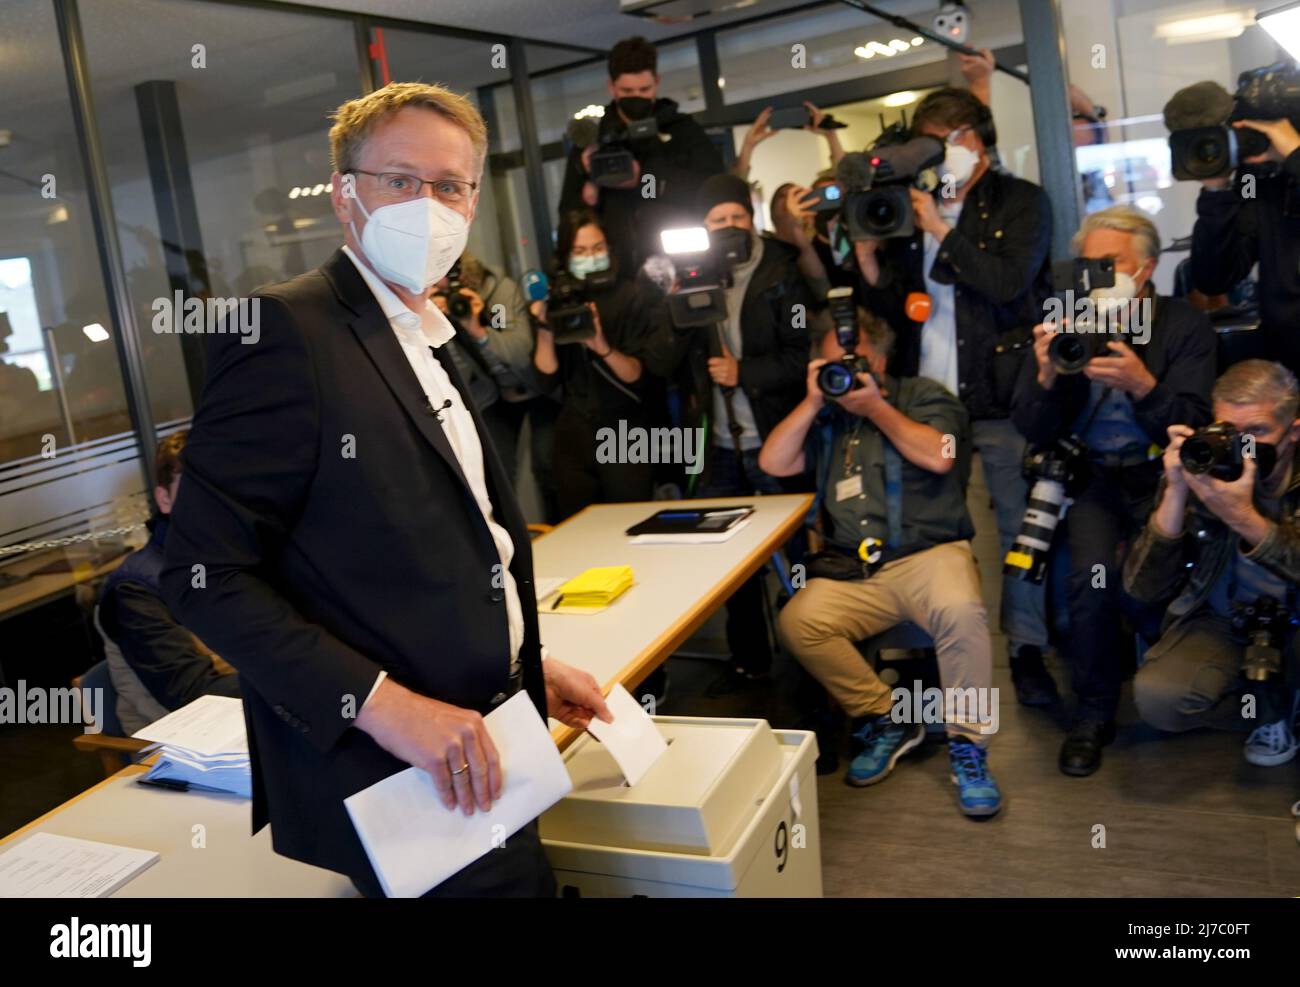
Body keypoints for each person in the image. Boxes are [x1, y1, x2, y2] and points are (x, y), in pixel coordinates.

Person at [160, 82, 611, 898]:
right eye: (400, 180)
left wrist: (524, 662)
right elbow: (202, 574)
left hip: (491, 728)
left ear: (473, 201)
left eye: (449, 186)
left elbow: (430, 539)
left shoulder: (428, 336)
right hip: (397, 771)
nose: (427, 204)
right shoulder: (287, 333)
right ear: (344, 194)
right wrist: (385, 706)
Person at [853, 87, 1055, 708]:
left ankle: (1027, 650)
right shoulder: (911, 212)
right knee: (929, 531)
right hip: (927, 402)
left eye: (945, 143)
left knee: (1021, 531)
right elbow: (893, 310)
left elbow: (1006, 283)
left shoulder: (1022, 203)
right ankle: (931, 656)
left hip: (999, 397)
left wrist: (941, 227)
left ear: (975, 140)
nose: (940, 157)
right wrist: (866, 254)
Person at [762, 311, 1002, 817]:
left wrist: (876, 410)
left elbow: (941, 455)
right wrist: (811, 401)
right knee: (799, 622)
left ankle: (968, 745)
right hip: (856, 569)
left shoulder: (925, 396)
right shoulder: (826, 415)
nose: (844, 374)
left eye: (854, 362)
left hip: (930, 554)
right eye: (831, 364)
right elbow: (774, 463)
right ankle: (888, 718)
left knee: (961, 611)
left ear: (882, 359)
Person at [1013, 205, 1217, 776]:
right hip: (1094, 474)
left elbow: (1196, 424)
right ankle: (1094, 711)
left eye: (1111, 264)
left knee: (1161, 580)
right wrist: (1046, 376)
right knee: (1089, 581)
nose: (1096, 277)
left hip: (1164, 473)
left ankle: (1175, 680)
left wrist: (1144, 386)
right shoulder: (1066, 318)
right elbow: (1031, 424)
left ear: (1146, 268)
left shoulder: (1183, 324)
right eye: (1089, 265)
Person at [641, 172, 811, 687]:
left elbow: (800, 354)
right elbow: (663, 363)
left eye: (737, 216)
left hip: (778, 439)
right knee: (730, 564)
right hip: (716, 445)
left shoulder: (783, 269)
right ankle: (749, 660)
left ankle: (808, 658)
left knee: (796, 556)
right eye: (718, 220)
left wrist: (746, 373)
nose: (729, 226)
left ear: (751, 215)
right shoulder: (693, 273)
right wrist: (674, 301)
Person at [1125, 360, 1300, 767]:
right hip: (1226, 618)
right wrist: (1175, 492)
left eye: (1256, 432)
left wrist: (1242, 516)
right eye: (1228, 432)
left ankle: (1280, 696)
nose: (1240, 447)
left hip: (1294, 619)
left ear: (1293, 430)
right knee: (1158, 700)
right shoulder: (1205, 467)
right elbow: (1141, 589)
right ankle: (1270, 708)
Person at [95, 431, 239, 735]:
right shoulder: (134, 590)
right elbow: (195, 695)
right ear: (164, 499)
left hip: (245, 729)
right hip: (179, 751)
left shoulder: (234, 559)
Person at [558, 36, 724, 277]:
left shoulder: (682, 130)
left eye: (644, 89)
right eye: (627, 91)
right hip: (616, 271)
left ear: (656, 82)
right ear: (611, 87)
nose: (636, 96)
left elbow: (713, 190)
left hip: (682, 261)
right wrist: (587, 185)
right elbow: (568, 216)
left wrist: (645, 180)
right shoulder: (592, 139)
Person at [534, 209, 656, 517]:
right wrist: (545, 327)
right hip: (574, 429)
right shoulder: (557, 299)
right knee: (579, 529)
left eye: (597, 248)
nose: (590, 256)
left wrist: (600, 345)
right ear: (564, 257)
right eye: (580, 251)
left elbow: (639, 376)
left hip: (626, 432)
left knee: (631, 522)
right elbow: (546, 380)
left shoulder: (631, 295)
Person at [1181, 81, 1300, 374]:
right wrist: (1216, 191)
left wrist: (1296, 155)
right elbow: (1214, 278)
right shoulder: (1256, 183)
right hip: (1290, 366)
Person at [432, 250, 558, 506]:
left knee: (547, 463)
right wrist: (432, 321)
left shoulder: (497, 292)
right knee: (496, 470)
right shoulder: (434, 305)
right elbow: (455, 374)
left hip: (537, 386)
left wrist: (479, 329)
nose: (437, 282)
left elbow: (519, 352)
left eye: (440, 274)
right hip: (494, 395)